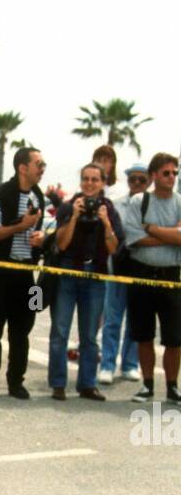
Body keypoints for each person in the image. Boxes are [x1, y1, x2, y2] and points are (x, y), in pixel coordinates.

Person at [47, 164, 122, 401]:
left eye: (95, 180)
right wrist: (74, 217)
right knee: (60, 330)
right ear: (81, 182)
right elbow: (62, 244)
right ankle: (58, 384)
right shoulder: (69, 207)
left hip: (95, 276)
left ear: (102, 183)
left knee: (89, 335)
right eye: (86, 179)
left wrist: (106, 222)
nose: (90, 184)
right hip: (69, 271)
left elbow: (113, 248)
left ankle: (87, 384)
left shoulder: (109, 209)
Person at [0, 147, 46, 398]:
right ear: (22, 168)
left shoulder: (38, 196)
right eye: (38, 163)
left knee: (22, 331)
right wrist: (21, 226)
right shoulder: (2, 195)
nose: (43, 168)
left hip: (25, 273)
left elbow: (36, 230)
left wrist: (39, 237)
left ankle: (16, 382)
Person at [122, 152, 181, 404]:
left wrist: (152, 229)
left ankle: (172, 386)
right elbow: (134, 239)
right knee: (143, 334)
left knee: (175, 337)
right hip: (142, 273)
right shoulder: (139, 201)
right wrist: (169, 236)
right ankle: (147, 385)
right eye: (166, 173)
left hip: (171, 275)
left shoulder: (180, 202)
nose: (171, 178)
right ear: (154, 175)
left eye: (175, 173)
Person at [99, 163, 149, 385]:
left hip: (142, 266)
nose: (137, 183)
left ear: (149, 181)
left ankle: (130, 364)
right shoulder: (117, 204)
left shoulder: (153, 204)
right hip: (118, 265)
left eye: (142, 179)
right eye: (133, 179)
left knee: (136, 319)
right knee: (112, 318)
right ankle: (107, 364)